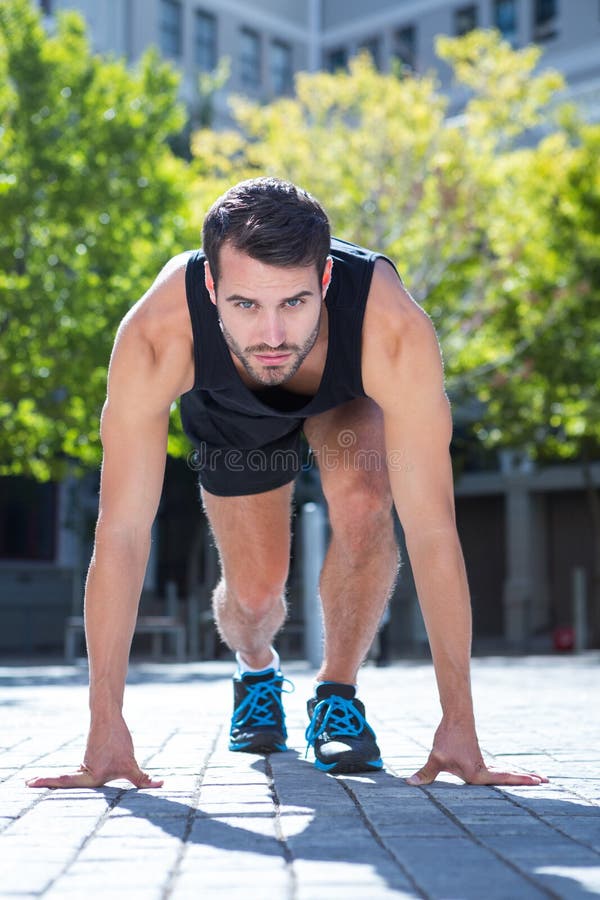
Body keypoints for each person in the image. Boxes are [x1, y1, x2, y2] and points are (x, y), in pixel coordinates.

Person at [27, 178, 547, 789]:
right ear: (211, 288)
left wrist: (460, 723)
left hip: (345, 398)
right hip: (229, 414)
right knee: (254, 597)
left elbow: (433, 529)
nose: (272, 336)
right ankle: (256, 669)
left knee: (365, 498)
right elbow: (120, 533)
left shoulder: (391, 329)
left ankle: (337, 694)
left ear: (325, 282)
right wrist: (103, 725)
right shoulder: (158, 333)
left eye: (294, 303)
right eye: (246, 305)